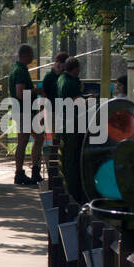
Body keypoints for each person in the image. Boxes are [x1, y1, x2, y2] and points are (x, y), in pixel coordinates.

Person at [9, 44, 41, 185]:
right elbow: (20, 93)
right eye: (31, 54)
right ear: (26, 55)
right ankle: (19, 173)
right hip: (24, 111)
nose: (33, 57)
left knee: (38, 137)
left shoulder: (18, 69)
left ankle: (34, 170)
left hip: (24, 111)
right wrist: (36, 92)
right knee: (23, 142)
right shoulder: (20, 71)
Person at [55, 58, 85, 191]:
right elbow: (76, 101)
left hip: (62, 119)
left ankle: (65, 180)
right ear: (75, 69)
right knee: (71, 154)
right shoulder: (71, 83)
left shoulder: (61, 78)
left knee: (65, 152)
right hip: (72, 120)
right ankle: (72, 185)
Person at [40, 52, 68, 150]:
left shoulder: (67, 78)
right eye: (56, 61)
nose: (58, 64)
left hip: (65, 111)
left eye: (61, 62)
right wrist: (41, 114)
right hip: (51, 110)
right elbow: (43, 96)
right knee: (55, 137)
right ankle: (54, 161)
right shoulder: (49, 77)